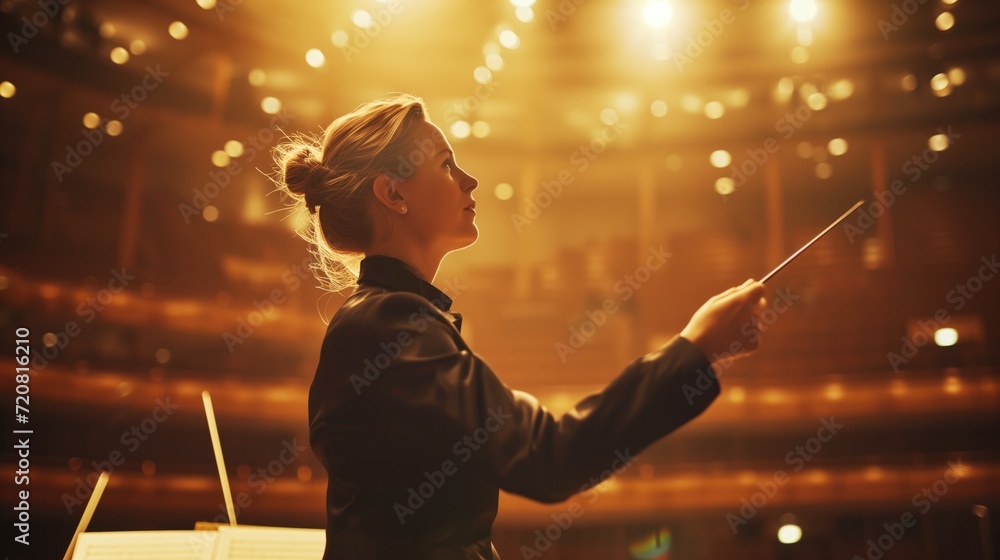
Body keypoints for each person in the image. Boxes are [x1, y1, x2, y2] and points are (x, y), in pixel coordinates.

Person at [271, 93, 767, 559]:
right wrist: (696, 350)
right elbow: (549, 457)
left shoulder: (394, 320)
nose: (471, 181)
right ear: (392, 193)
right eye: (446, 165)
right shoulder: (386, 324)